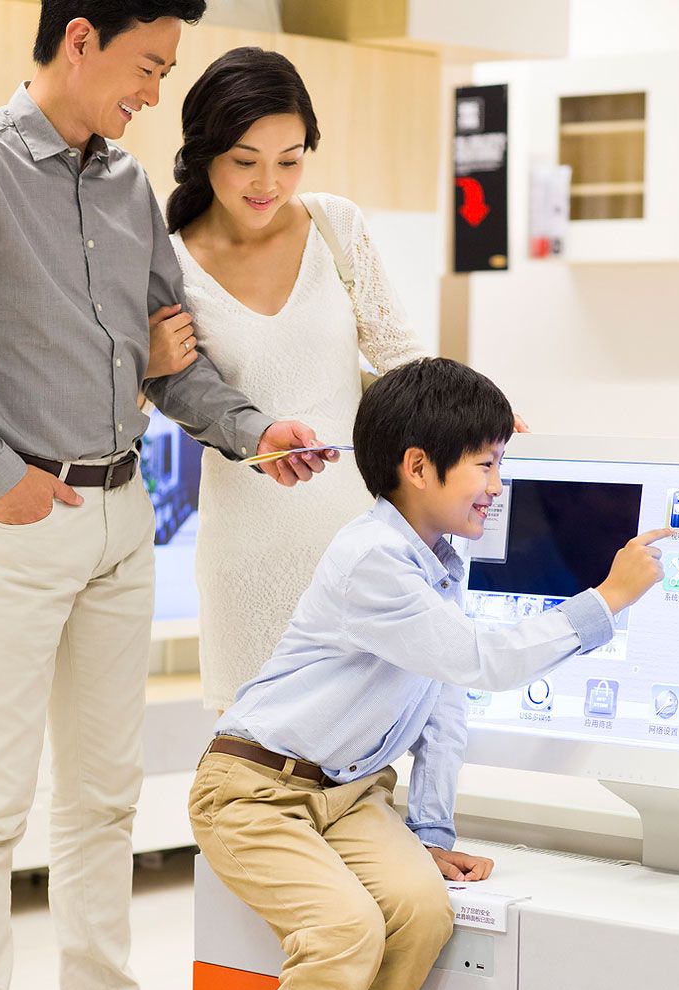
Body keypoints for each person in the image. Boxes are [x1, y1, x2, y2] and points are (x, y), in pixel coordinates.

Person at [0, 0, 334, 990]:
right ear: (79, 39)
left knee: (106, 793)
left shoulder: (121, 189)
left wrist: (254, 430)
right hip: (22, 517)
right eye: (147, 66)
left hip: (123, 521)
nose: (156, 90)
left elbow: (174, 364)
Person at [188, 356, 670, 990]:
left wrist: (432, 831)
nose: (498, 484)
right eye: (484, 463)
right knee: (342, 930)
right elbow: (482, 666)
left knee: (418, 910)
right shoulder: (374, 558)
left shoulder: (437, 560)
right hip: (254, 787)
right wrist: (606, 599)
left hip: (348, 793)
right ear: (418, 466)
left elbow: (444, 702)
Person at [144, 46, 428, 711]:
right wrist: (144, 359)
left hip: (357, 546)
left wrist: (476, 411)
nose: (266, 183)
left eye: (289, 159)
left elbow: (400, 357)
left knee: (364, 763)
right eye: (244, 160)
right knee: (254, 779)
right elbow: (165, 393)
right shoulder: (167, 261)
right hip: (246, 558)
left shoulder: (335, 224)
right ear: (204, 153)